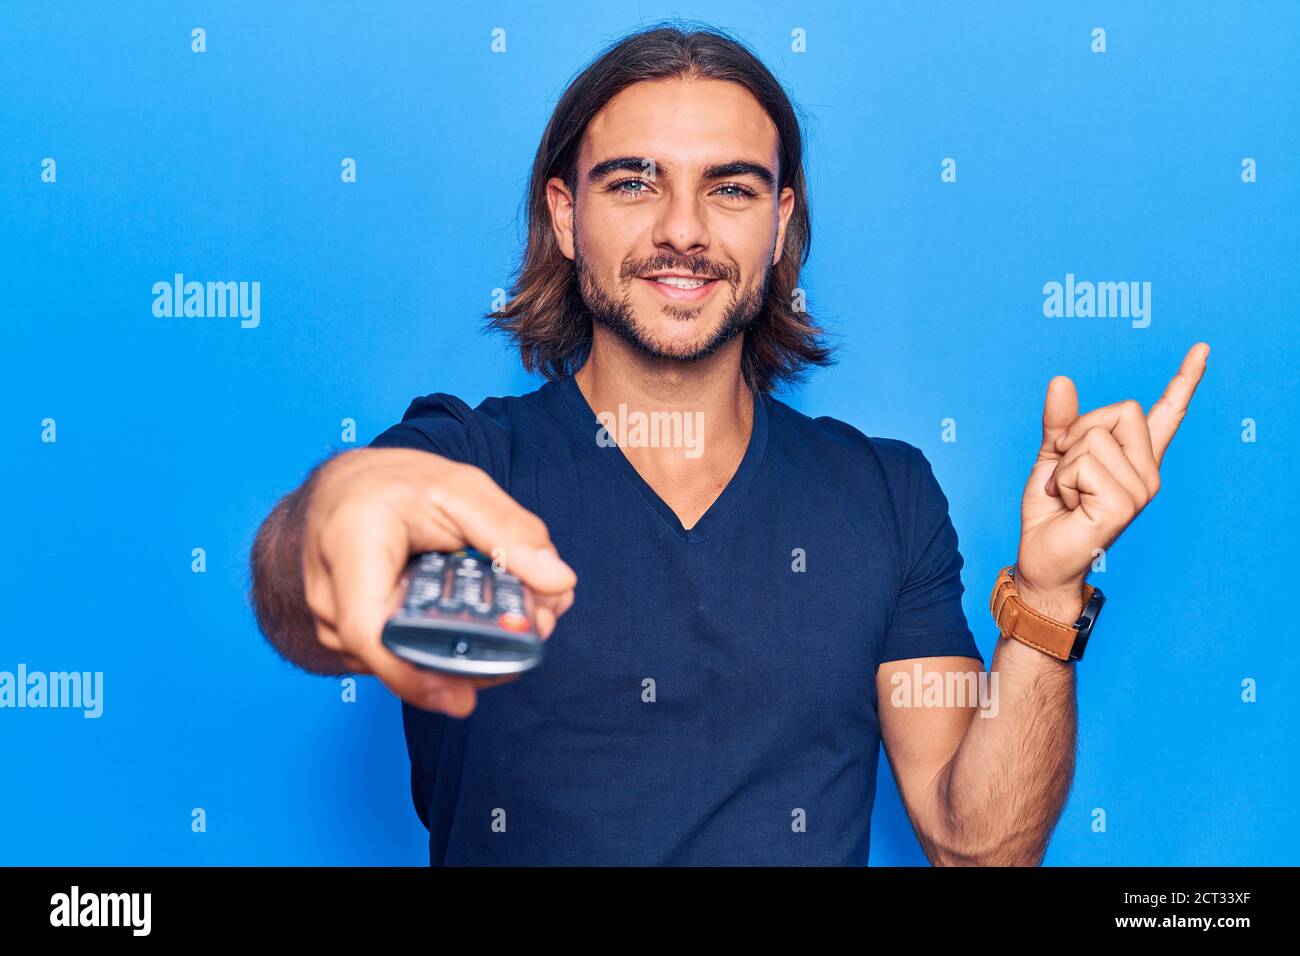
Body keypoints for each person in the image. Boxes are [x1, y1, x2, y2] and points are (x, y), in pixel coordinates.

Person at [249, 23, 1207, 865]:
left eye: (732, 189)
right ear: (566, 216)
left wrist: (1044, 598)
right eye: (633, 182)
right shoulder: (464, 464)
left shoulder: (885, 494)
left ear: (780, 224)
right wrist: (328, 515)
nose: (682, 231)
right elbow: (308, 589)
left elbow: (979, 848)